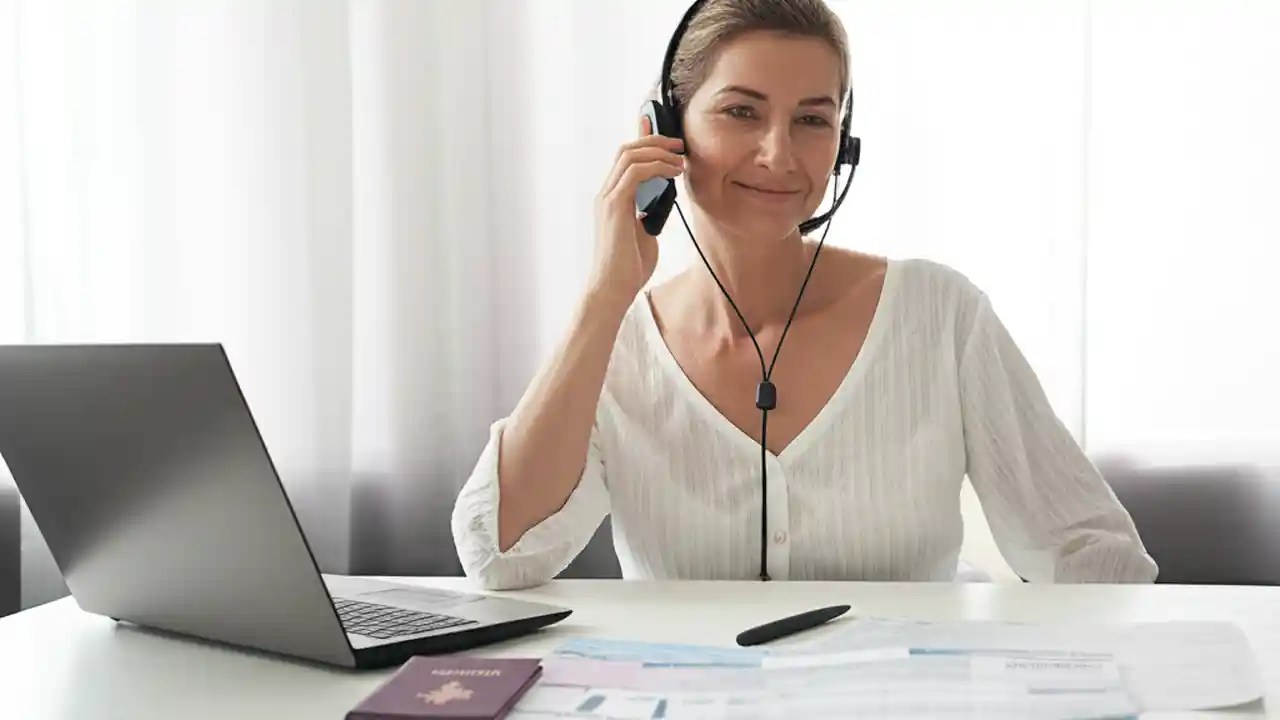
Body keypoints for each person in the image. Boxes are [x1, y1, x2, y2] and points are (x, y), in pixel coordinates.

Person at [451, 0, 1157, 590]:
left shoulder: (942, 318)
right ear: (666, 131)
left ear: (842, 144)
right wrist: (605, 297)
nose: (779, 154)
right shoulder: (617, 347)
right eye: (741, 112)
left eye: (813, 120)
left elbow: (1095, 559)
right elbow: (500, 556)